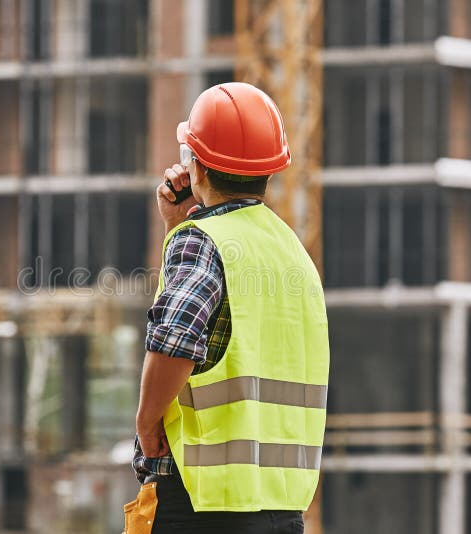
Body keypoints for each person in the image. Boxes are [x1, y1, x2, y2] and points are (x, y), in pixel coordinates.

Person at [126, 83, 330, 534]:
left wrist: (146, 422)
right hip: (282, 509)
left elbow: (175, 339)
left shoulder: (202, 242)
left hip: (202, 505)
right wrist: (180, 223)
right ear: (270, 170)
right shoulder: (293, 252)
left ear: (196, 164)